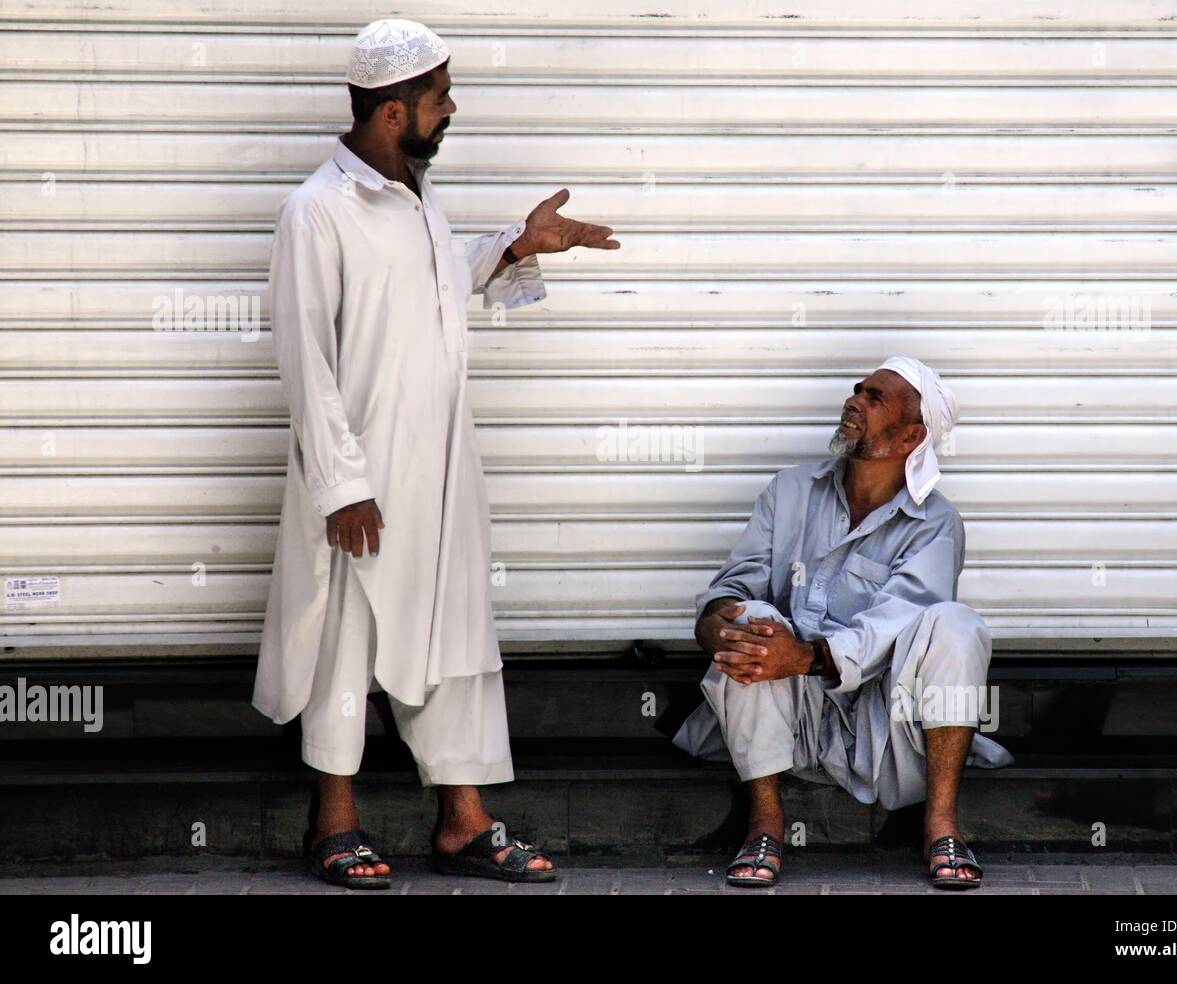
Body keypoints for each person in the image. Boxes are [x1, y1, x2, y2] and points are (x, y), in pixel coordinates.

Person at [253, 18, 619, 888]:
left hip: (443, 472)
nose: (449, 110)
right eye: (439, 96)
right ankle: (333, 823)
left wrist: (518, 246)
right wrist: (343, 485)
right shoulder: (317, 212)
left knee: (456, 639)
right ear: (391, 113)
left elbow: (436, 282)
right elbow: (303, 355)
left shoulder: (415, 195)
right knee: (347, 635)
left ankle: (463, 822)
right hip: (362, 478)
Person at [672, 357, 1013, 889]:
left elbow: (901, 617)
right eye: (858, 391)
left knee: (957, 625)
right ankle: (763, 823)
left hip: (888, 725)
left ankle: (942, 826)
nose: (854, 402)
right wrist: (715, 626)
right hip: (789, 711)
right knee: (753, 621)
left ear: (911, 436)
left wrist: (806, 655)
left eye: (875, 399)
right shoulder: (789, 491)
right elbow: (729, 591)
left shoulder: (936, 523)